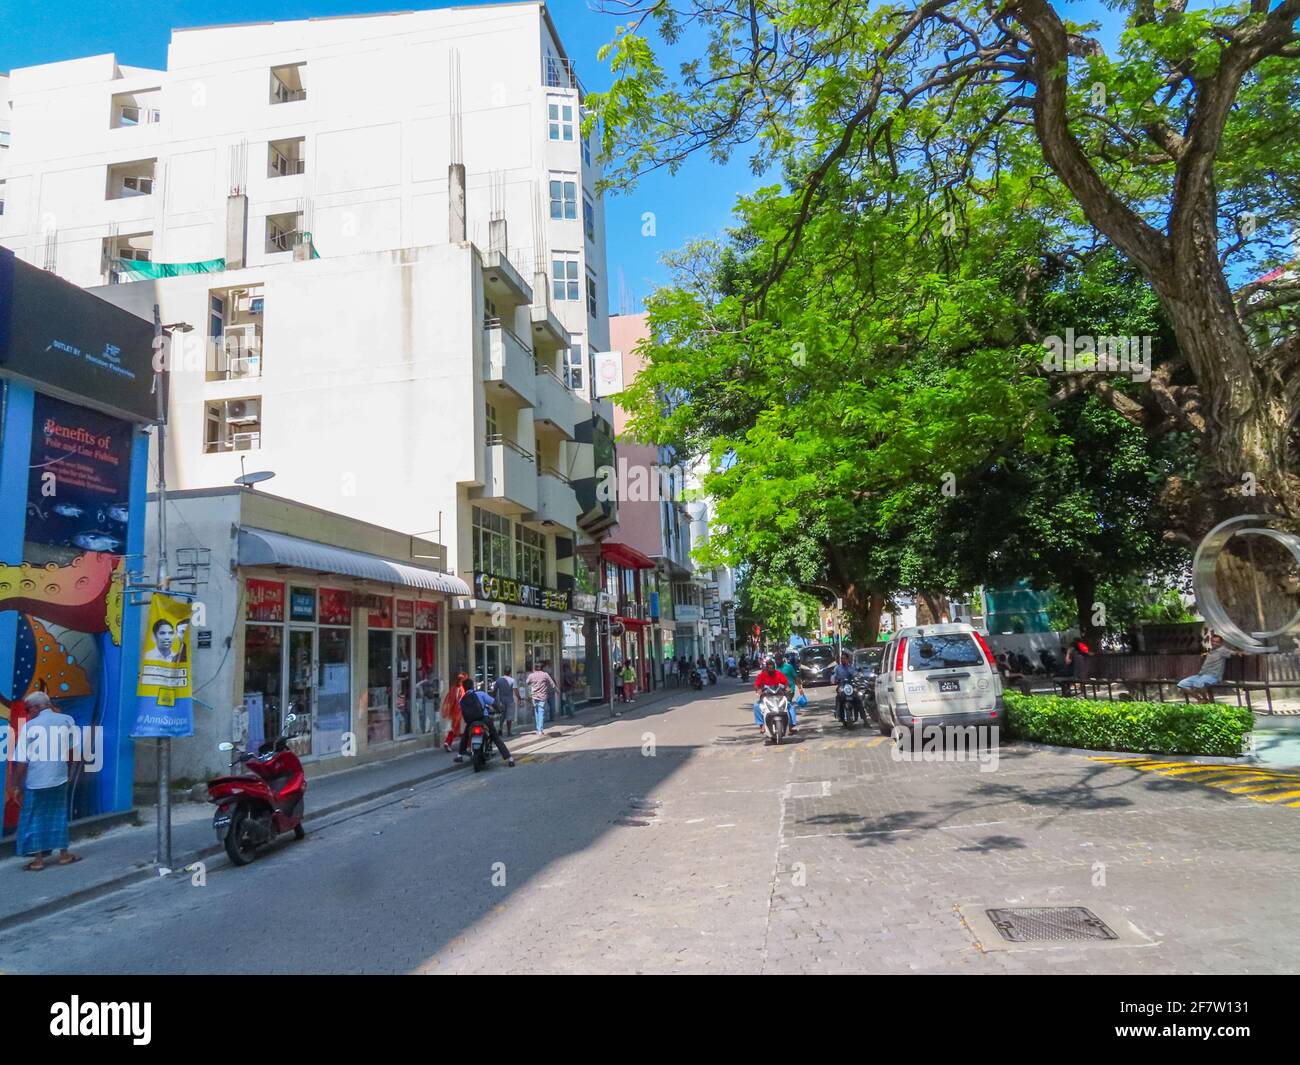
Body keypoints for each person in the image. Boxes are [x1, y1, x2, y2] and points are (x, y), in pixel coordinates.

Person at [14, 692, 80, 871]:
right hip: (59, 777)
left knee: (34, 817)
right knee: (59, 815)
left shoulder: (30, 727)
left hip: (36, 780)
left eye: (28, 709)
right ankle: (64, 854)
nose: (28, 713)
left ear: (36, 707)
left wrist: (15, 785)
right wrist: (68, 772)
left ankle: (38, 860)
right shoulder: (67, 720)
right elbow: (72, 751)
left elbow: (21, 762)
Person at [454, 683, 514, 766]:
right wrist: (499, 710)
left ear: (464, 688)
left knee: (466, 736)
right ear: (472, 687)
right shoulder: (480, 694)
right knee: (495, 737)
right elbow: (493, 703)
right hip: (484, 719)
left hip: (471, 722)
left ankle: (460, 755)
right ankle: (509, 758)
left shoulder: (462, 700)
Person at [1177, 633, 1237, 704]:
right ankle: (1200, 699)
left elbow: (1234, 653)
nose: (1214, 643)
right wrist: (1206, 654)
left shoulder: (1223, 650)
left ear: (1221, 643)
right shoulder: (1212, 651)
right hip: (1201, 675)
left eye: (1217, 642)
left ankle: (1205, 699)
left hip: (1213, 676)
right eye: (1213, 641)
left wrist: (1242, 652)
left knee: (1198, 683)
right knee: (1182, 684)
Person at [753, 656, 796, 732]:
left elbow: (786, 683)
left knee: (790, 706)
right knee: (756, 706)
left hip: (779, 696)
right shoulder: (763, 675)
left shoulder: (779, 674)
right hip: (766, 697)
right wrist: (758, 689)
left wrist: (787, 688)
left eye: (772, 668)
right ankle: (762, 724)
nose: (771, 670)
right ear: (766, 668)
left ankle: (791, 725)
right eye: (769, 668)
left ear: (774, 667)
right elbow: (757, 684)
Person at [441, 672, 469, 752]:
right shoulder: (461, 689)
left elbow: (449, 700)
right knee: (462, 729)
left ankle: (447, 742)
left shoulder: (452, 689)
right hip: (460, 712)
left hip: (453, 712)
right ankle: (466, 745)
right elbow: (462, 700)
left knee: (454, 729)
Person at [525, 662, 556, 735]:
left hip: (534, 696)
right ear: (542, 668)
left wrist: (533, 684)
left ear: (535, 668)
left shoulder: (531, 675)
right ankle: (540, 730)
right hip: (542, 696)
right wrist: (557, 690)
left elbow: (527, 682)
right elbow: (552, 684)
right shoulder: (545, 675)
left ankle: (538, 728)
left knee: (536, 712)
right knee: (541, 712)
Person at [492, 667, 518, 736]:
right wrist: (519, 698)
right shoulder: (512, 680)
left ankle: (500, 730)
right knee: (509, 717)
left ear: (504, 672)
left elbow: (494, 690)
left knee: (502, 716)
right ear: (510, 672)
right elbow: (515, 691)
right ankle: (509, 732)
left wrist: (493, 699)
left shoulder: (499, 680)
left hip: (501, 701)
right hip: (510, 701)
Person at [779, 653, 804, 718]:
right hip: (778, 690)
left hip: (789, 690)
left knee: (788, 704)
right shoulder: (774, 668)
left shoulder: (788, 667)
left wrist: (800, 688)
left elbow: (796, 677)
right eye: (776, 659)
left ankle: (792, 723)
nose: (777, 661)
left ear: (782, 659)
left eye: (779, 659)